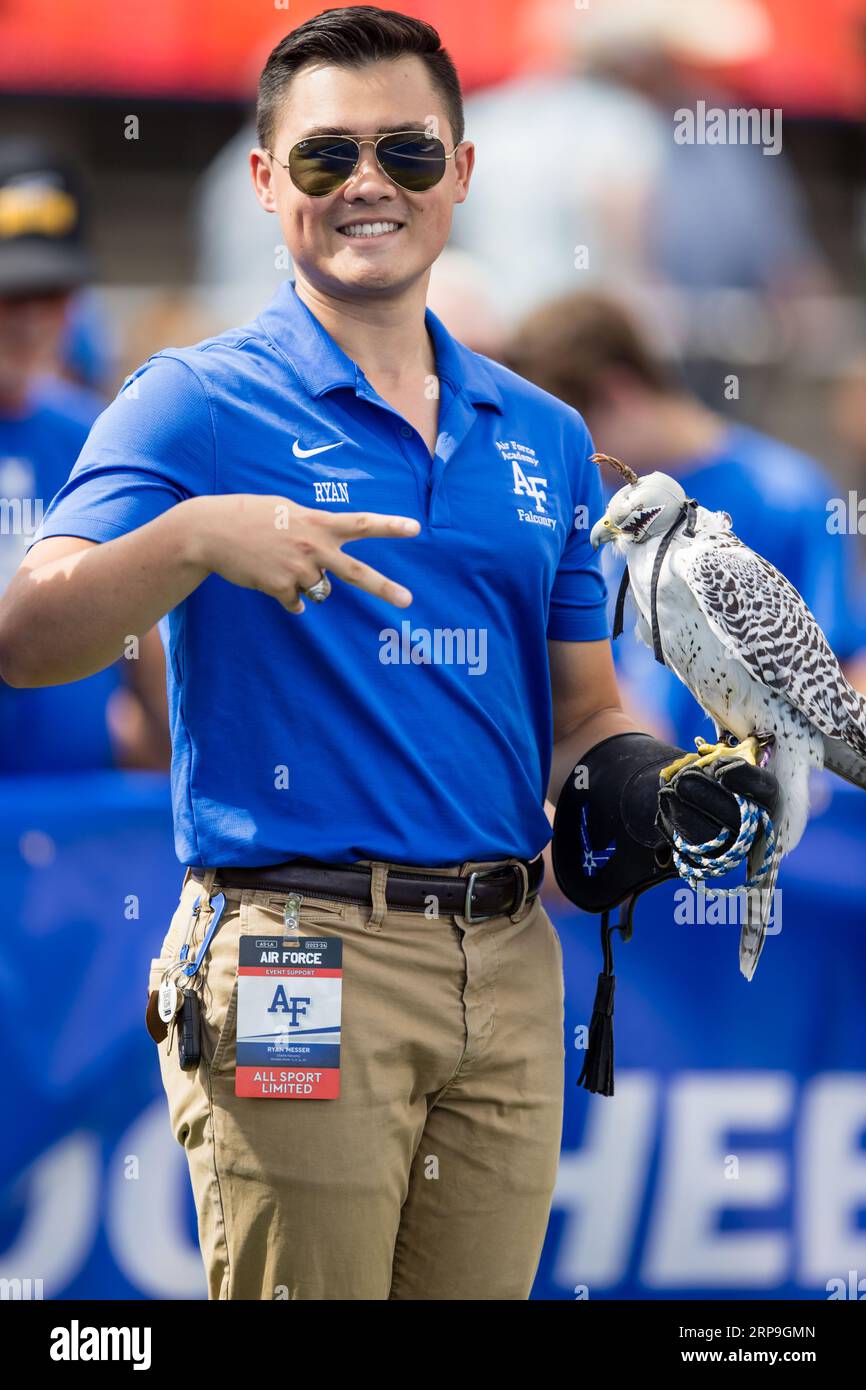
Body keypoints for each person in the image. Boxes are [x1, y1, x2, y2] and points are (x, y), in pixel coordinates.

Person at [0, 7, 773, 1301]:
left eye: (407, 154)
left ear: (461, 173)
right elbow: (29, 634)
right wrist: (196, 535)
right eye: (324, 157)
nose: (368, 184)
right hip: (293, 951)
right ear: (263, 182)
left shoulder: (543, 434)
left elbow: (581, 715)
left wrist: (655, 788)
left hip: (509, 966)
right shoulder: (191, 400)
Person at [505, 290, 866, 745]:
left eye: (578, 441)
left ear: (620, 394)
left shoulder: (784, 495)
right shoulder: (594, 509)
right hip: (630, 788)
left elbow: (835, 674)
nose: (574, 464)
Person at [0, 137, 168, 771]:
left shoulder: (99, 436)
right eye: (12, 293)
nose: (32, 320)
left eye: (55, 292)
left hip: (78, 836)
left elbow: (146, 637)